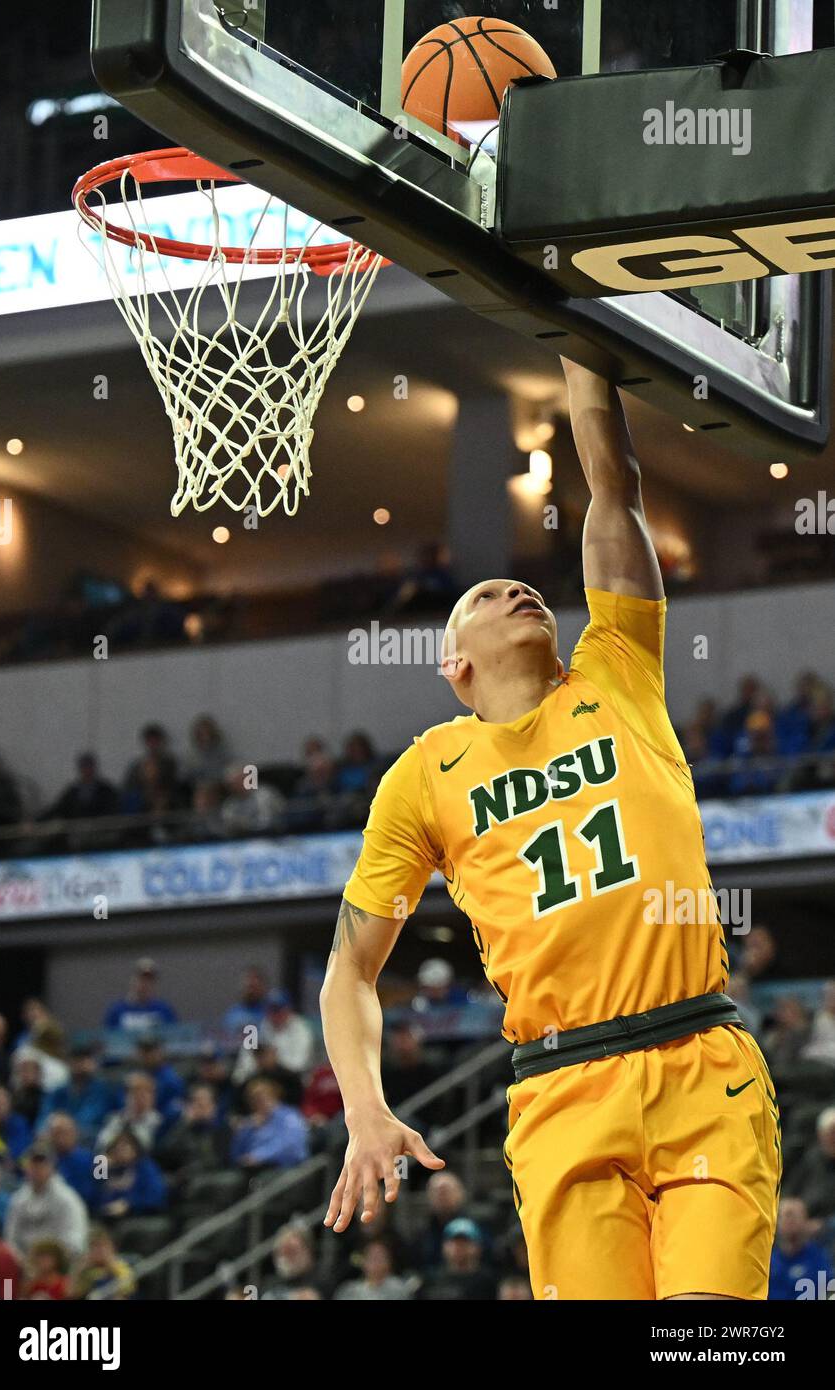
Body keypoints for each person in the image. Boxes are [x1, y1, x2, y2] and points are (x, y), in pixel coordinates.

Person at [321, 361, 781, 1301]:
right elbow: (350, 972)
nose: (517, 594)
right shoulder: (422, 777)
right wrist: (364, 1109)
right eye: (487, 596)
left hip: (700, 1058)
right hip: (561, 1090)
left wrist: (579, 340)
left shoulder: (616, 669)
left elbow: (614, 485)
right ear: (454, 663)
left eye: (524, 589)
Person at [5, 1142, 88, 1259]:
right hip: (26, 1266)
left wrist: (52, 1263)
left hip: (60, 1264)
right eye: (33, 1164)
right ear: (26, 1167)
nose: (37, 1169)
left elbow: (75, 1241)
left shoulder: (67, 1199)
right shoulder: (18, 1200)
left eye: (42, 1165)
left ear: (52, 1167)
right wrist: (24, 1264)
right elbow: (10, 1240)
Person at [230, 1077, 308, 1171]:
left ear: (274, 1095)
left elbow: (290, 1145)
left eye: (263, 1096)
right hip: (255, 1171)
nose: (259, 1102)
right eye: (254, 1099)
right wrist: (246, 1129)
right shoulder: (251, 1122)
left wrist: (259, 1156)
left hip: (288, 1169)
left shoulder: (289, 1116)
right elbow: (235, 1155)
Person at [39, 1045, 116, 1140]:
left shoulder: (105, 1092)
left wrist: (69, 1129)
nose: (80, 1066)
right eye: (76, 1061)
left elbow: (96, 1120)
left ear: (93, 1064)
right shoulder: (58, 1092)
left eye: (84, 1061)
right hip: (57, 1141)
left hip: (91, 1142)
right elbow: (44, 1119)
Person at [90, 1130, 167, 1220]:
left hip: (134, 1215)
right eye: (117, 1148)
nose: (120, 1152)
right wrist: (99, 1168)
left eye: (125, 1147)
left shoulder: (145, 1167)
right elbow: (92, 1195)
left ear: (135, 1149)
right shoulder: (105, 1166)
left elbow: (156, 1196)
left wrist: (130, 1205)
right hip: (103, 1214)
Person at [768, 1198, 834, 1301]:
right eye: (783, 1216)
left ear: (806, 1221)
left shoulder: (818, 1259)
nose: (788, 1221)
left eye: (793, 1216)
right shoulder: (768, 1261)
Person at [417, 1219, 497, 1301]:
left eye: (465, 1242)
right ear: (444, 1247)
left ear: (478, 1247)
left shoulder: (487, 1282)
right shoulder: (430, 1280)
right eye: (454, 1242)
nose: (459, 1247)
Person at [783, 1106, 835, 1220]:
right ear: (821, 1135)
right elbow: (791, 1188)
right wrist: (789, 1205)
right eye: (830, 1134)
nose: (832, 1139)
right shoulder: (812, 1158)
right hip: (803, 1220)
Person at [103, 959, 178, 1034]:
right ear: (132, 980)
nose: (145, 984)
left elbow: (174, 1037)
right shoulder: (116, 1011)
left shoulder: (164, 1010)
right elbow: (107, 1038)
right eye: (141, 979)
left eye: (149, 980)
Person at [96, 1072, 165, 1154]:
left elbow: (147, 1146)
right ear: (126, 1096)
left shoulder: (158, 1121)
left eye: (146, 1093)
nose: (140, 1098)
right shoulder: (115, 1118)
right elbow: (101, 1144)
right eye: (135, 1093)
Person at [41, 753, 120, 823]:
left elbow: (114, 810)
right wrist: (36, 821)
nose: (87, 770)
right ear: (80, 769)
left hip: (101, 835)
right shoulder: (72, 793)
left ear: (94, 768)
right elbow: (57, 809)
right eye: (84, 766)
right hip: (76, 835)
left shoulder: (106, 790)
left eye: (89, 766)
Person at [333, 1237, 414, 1300]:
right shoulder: (349, 1290)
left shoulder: (399, 1289)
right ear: (363, 1261)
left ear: (389, 1261)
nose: (376, 1262)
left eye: (380, 1257)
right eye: (372, 1257)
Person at [72, 1224, 136, 1300]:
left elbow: (128, 1289)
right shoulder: (86, 1270)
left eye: (103, 1247)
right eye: (95, 1247)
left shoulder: (120, 1266)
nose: (99, 1251)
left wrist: (111, 1266)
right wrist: (79, 1271)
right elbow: (73, 1293)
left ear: (112, 1248)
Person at [44, 1113, 96, 1205]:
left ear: (75, 1133)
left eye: (64, 1132)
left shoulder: (91, 1160)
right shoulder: (43, 1159)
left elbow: (92, 1193)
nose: (60, 1138)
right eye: (55, 1133)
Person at [259, 992, 314, 1073]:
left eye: (279, 1010)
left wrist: (274, 1061)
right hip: (268, 1074)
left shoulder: (300, 1028)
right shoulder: (264, 1025)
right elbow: (250, 1057)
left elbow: (300, 1063)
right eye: (272, 1010)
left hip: (296, 1077)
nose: (275, 1014)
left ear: (288, 1009)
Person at [221, 967, 270, 1035]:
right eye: (249, 987)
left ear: (262, 988)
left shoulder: (270, 1013)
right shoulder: (232, 1014)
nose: (251, 992)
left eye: (254, 987)